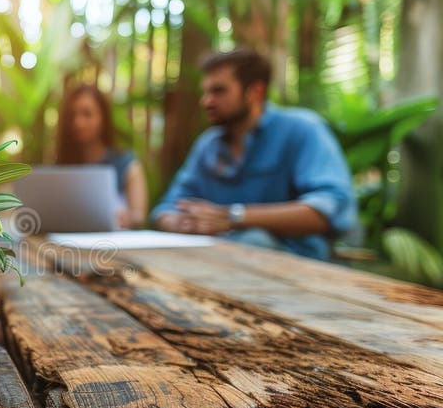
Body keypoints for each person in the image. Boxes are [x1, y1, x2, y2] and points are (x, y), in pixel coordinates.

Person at [151, 48, 357, 260]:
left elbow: (326, 211)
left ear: (255, 92)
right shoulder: (208, 145)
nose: (207, 101)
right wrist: (180, 222)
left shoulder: (302, 129)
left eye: (219, 91)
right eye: (206, 92)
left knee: (254, 241)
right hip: (216, 262)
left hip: (296, 267)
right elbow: (166, 208)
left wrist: (234, 216)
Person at [56, 84, 148, 228]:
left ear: (103, 118)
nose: (78, 123)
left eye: (87, 114)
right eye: (72, 115)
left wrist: (128, 218)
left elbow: (139, 217)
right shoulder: (61, 166)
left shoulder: (127, 164)